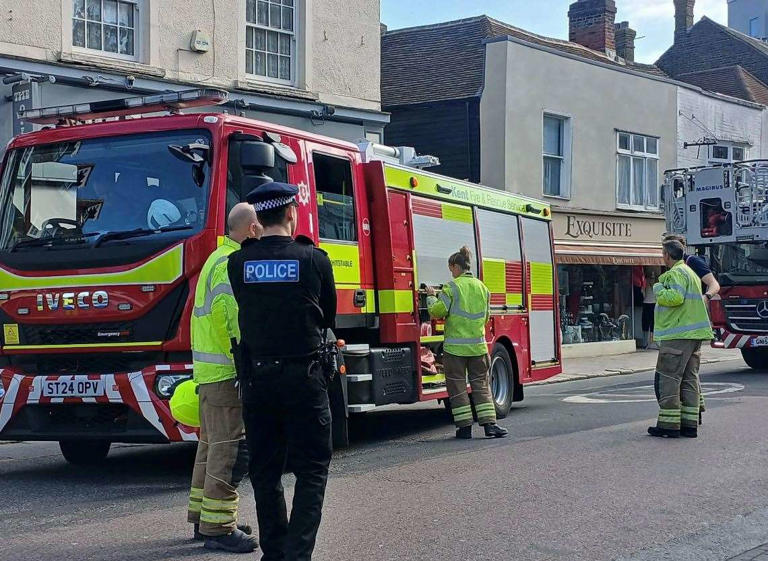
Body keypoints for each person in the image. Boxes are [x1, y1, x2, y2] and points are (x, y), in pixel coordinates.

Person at [227, 182, 336, 561]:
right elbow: (328, 317)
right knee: (312, 469)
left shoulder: (238, 262)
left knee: (265, 471)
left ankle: (274, 553)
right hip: (305, 379)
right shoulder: (314, 259)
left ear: (258, 219)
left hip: (258, 381)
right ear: (292, 213)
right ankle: (297, 554)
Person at [187, 203, 261, 553]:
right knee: (228, 450)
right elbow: (232, 320)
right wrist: (247, 357)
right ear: (251, 229)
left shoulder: (215, 259)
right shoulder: (231, 264)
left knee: (210, 446)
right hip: (226, 372)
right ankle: (218, 527)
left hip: (208, 371)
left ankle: (204, 518)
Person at [425, 246, 508, 440]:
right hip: (478, 348)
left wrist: (430, 297)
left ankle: (464, 429)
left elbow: (437, 312)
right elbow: (486, 317)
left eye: (450, 269)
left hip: (455, 350)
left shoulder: (451, 287)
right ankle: (490, 425)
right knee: (481, 385)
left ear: (456, 266)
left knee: (458, 387)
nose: (450, 273)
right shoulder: (483, 288)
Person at [648, 239, 713, 439]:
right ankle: (689, 425)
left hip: (677, 335)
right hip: (694, 336)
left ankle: (669, 426)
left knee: (668, 378)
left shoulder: (675, 273)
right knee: (689, 380)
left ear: (667, 255)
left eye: (662, 253)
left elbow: (675, 298)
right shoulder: (691, 273)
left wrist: (658, 289)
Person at [663, 234, 720, 418]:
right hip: (686, 324)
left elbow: (713, 285)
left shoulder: (691, 262)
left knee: (680, 375)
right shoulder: (675, 267)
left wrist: (705, 298)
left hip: (688, 325)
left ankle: (689, 414)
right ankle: (692, 414)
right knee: (689, 375)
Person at [642, 268, 658, 350]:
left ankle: (652, 341)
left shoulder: (656, 284)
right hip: (647, 303)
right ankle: (645, 342)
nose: (652, 279)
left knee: (653, 323)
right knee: (646, 324)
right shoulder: (645, 282)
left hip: (653, 303)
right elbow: (643, 292)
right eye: (651, 277)